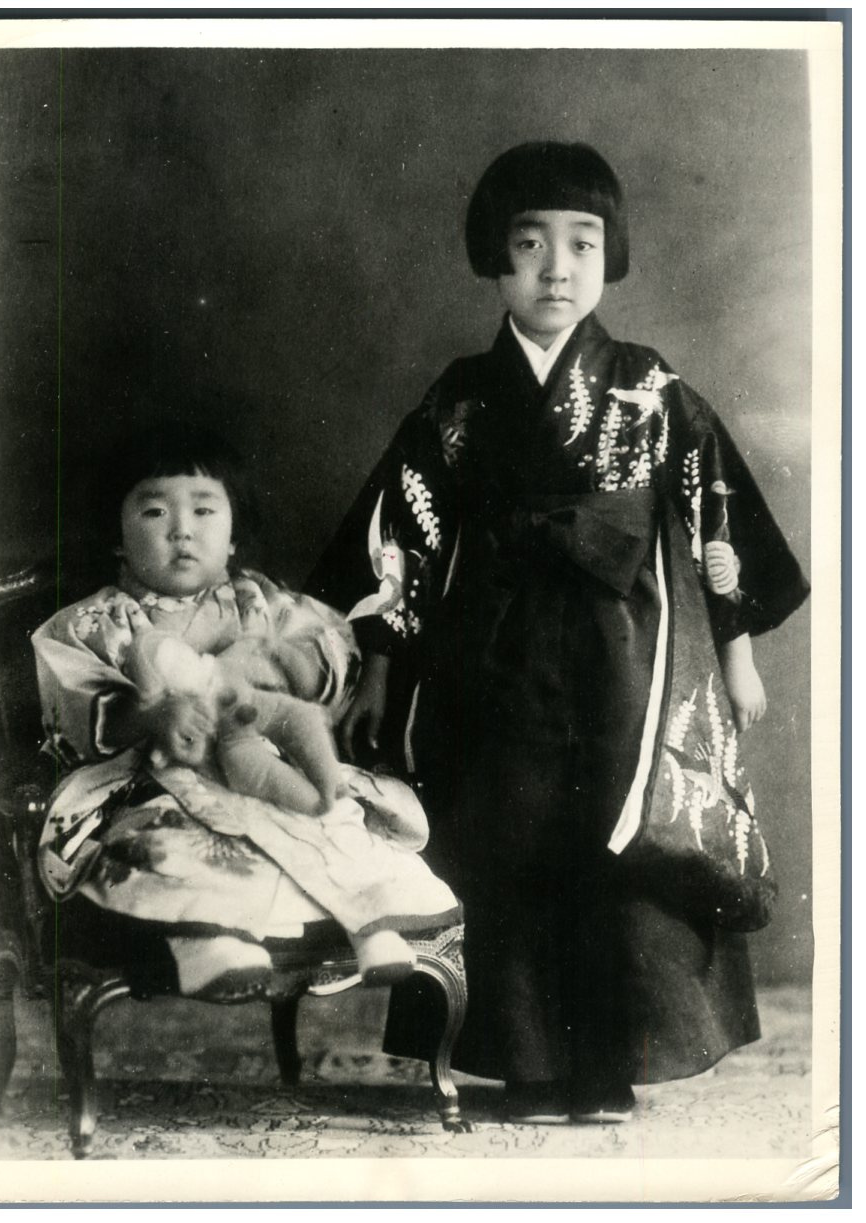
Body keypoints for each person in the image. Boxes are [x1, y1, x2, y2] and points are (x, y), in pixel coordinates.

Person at [306, 142, 810, 1123]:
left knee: (618, 839)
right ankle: (525, 1063)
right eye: (528, 244)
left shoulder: (649, 389)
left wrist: (738, 658)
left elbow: (715, 517)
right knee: (506, 835)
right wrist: (379, 668)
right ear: (492, 261)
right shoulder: (460, 396)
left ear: (608, 257)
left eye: (581, 243)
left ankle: (609, 1063)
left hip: (622, 652)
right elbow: (398, 535)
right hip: (489, 652)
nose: (555, 266)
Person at [32, 422, 460, 999]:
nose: (182, 530)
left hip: (265, 765)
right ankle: (209, 941)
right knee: (168, 843)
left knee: (334, 825)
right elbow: (72, 696)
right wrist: (153, 715)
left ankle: (375, 927)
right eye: (155, 513)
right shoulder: (99, 621)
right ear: (118, 532)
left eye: (205, 511)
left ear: (233, 535)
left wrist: (271, 662)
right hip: (150, 775)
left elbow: (333, 655)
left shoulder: (261, 602)